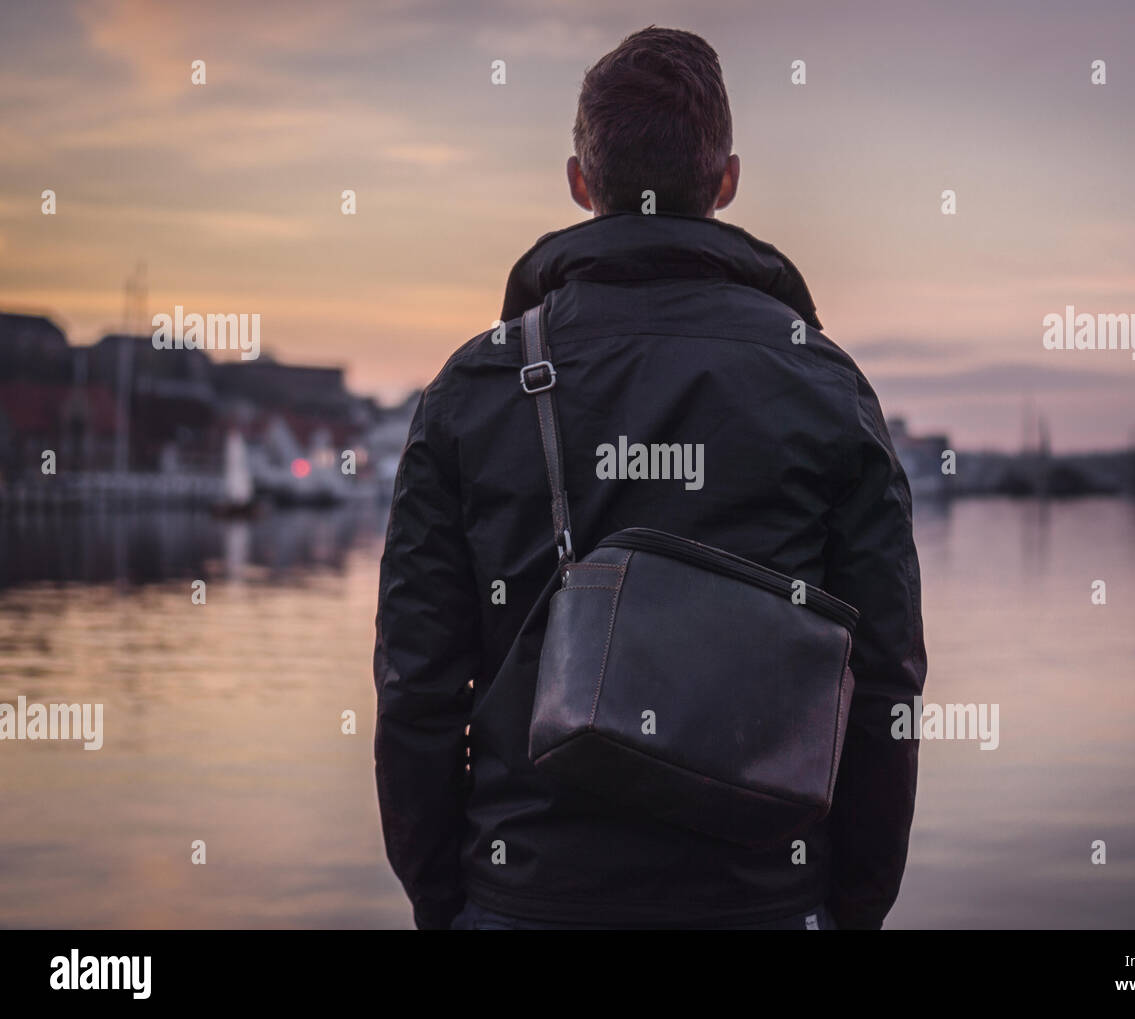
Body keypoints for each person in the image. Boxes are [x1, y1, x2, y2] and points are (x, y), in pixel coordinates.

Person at [373, 25, 927, 931]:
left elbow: (417, 690)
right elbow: (885, 687)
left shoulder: (475, 391)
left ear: (580, 183)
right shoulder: (827, 388)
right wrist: (848, 906)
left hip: (526, 895)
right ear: (726, 182)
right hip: (760, 900)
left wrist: (451, 900)